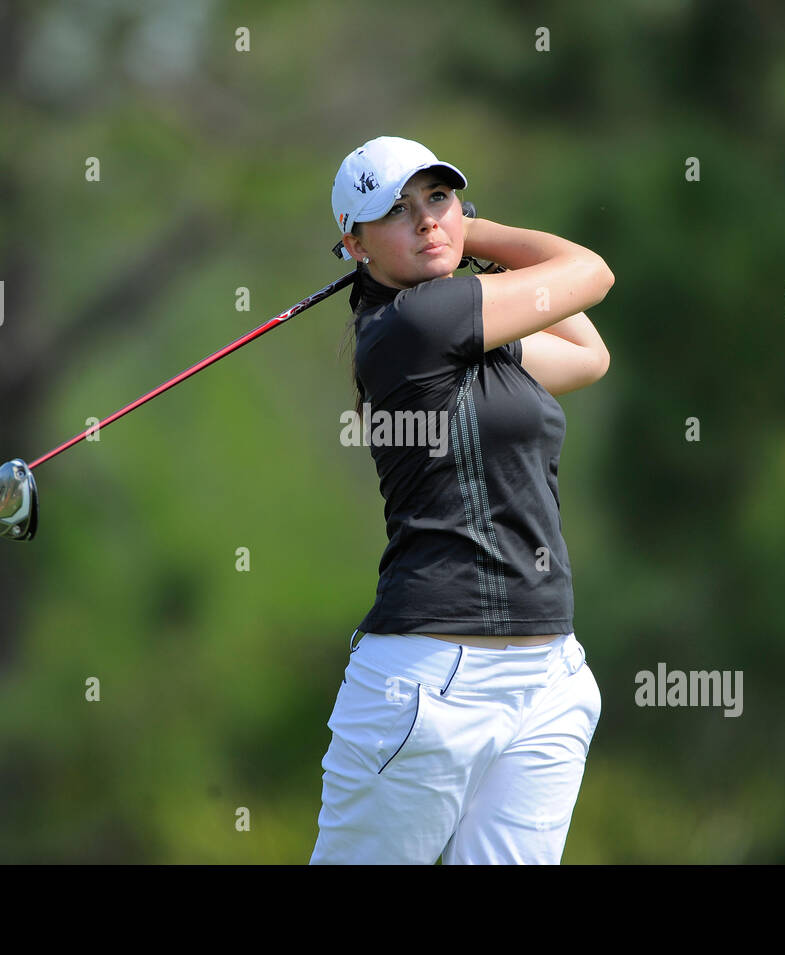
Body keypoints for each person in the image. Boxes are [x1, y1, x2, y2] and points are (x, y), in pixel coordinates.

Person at [310, 136, 615, 864]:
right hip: (430, 683)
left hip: (546, 676)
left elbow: (587, 354)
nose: (426, 221)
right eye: (398, 211)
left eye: (438, 198)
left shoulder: (472, 335)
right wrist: (475, 232)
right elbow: (590, 273)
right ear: (354, 245)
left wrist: (458, 236)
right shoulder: (419, 324)